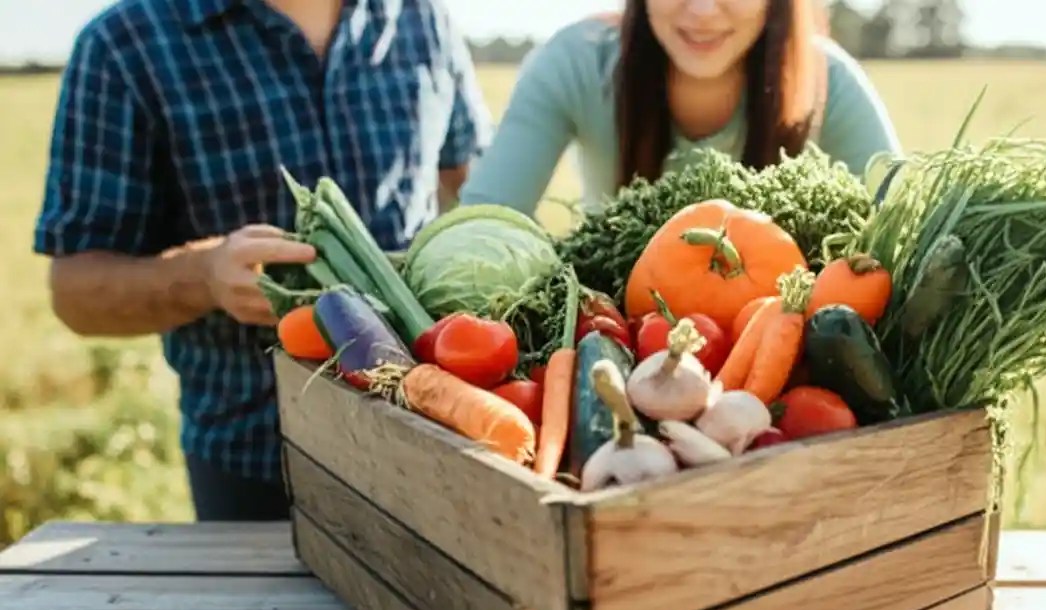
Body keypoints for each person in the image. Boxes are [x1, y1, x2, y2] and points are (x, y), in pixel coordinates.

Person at [34, 0, 490, 522]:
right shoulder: (126, 44)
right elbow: (74, 292)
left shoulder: (421, 18)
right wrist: (205, 277)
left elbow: (472, 187)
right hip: (256, 463)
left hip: (431, 435)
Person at [457, 0, 900, 217]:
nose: (704, 11)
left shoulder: (829, 82)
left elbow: (907, 240)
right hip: (619, 350)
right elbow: (485, 221)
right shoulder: (576, 64)